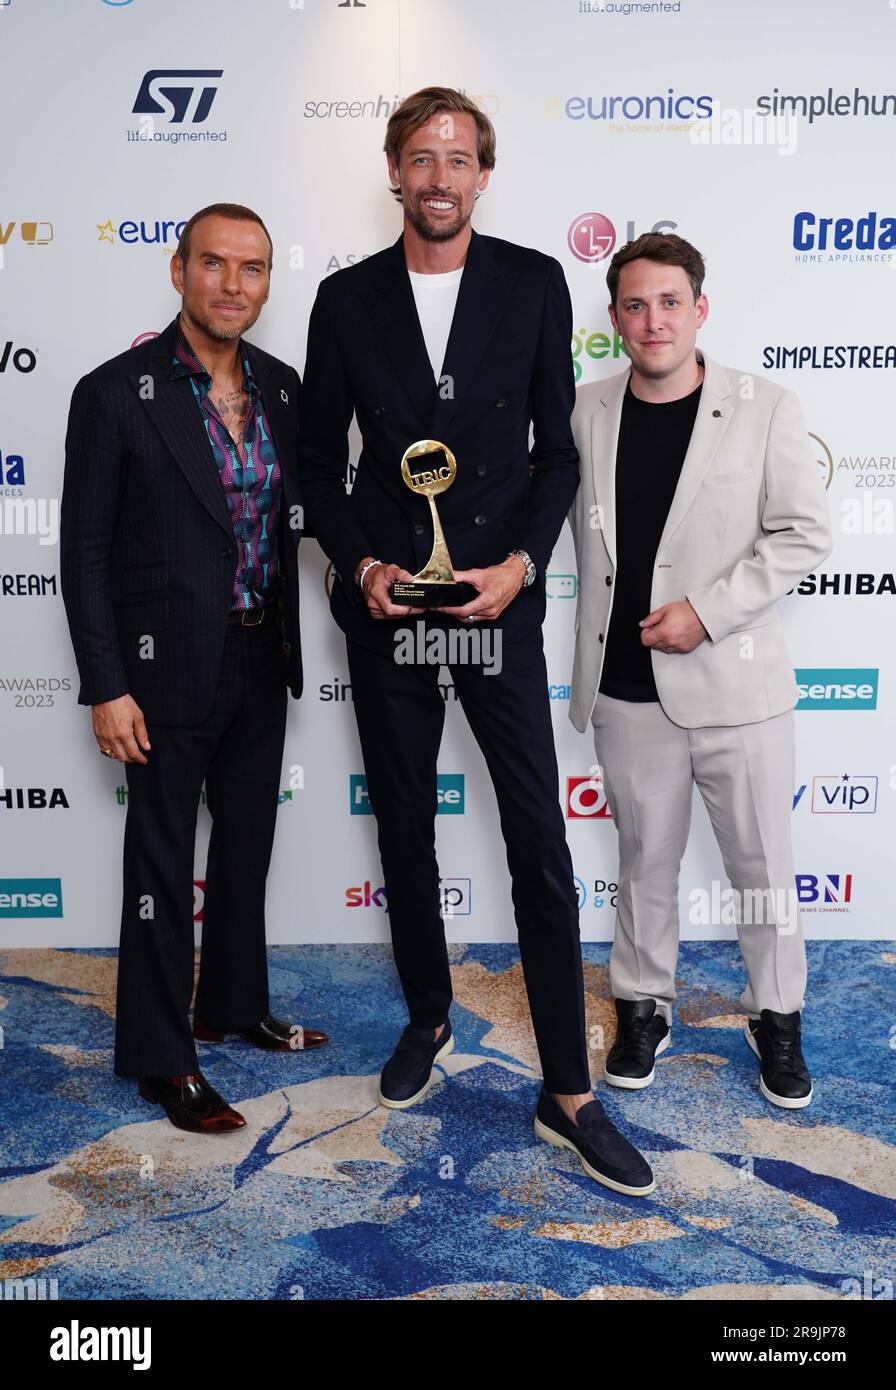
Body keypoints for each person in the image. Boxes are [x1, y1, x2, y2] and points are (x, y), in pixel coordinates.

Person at [298, 87, 654, 1196]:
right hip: (388, 612)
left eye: (459, 157)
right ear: (394, 171)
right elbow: (318, 468)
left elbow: (557, 454)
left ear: (482, 174)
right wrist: (360, 568)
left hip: (497, 609)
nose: (440, 175)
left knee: (537, 845)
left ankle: (566, 1091)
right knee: (402, 830)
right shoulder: (345, 298)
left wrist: (516, 567)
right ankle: (426, 1018)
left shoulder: (533, 282)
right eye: (421, 156)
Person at [61, 203, 327, 1135]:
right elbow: (84, 552)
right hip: (160, 669)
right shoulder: (114, 392)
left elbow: (319, 511)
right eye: (214, 264)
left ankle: (231, 1005)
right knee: (162, 869)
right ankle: (162, 1059)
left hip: (264, 654)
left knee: (246, 852)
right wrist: (105, 683)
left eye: (252, 269)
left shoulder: (287, 392)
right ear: (178, 271)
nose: (233, 285)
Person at [569, 232, 832, 1109]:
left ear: (700, 309)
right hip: (626, 688)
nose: (654, 321)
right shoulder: (585, 410)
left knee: (761, 868)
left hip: (737, 692)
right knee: (643, 860)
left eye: (670, 302)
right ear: (614, 319)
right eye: (635, 305)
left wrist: (707, 613)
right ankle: (643, 1006)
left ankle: (777, 1017)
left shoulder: (765, 406)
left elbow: (802, 533)